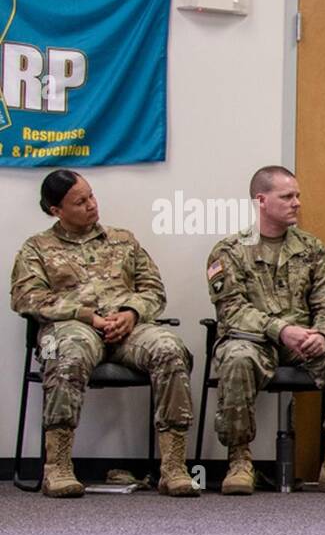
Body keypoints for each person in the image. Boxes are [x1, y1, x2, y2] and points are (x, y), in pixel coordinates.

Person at [11, 171, 197, 498]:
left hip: (128, 329)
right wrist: (87, 316)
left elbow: (154, 290)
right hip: (72, 329)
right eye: (79, 202)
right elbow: (26, 299)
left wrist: (131, 313)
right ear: (56, 210)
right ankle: (58, 468)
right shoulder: (37, 248)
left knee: (170, 348)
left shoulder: (123, 239)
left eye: (91, 196)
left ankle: (173, 467)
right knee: (65, 354)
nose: (92, 205)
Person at [205, 165, 325, 495]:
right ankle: (239, 461)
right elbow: (232, 310)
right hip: (252, 341)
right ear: (262, 200)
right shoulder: (229, 251)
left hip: (306, 343)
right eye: (287, 196)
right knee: (236, 357)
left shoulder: (313, 248)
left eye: (298, 196)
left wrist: (322, 334)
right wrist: (281, 330)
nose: (296, 203)